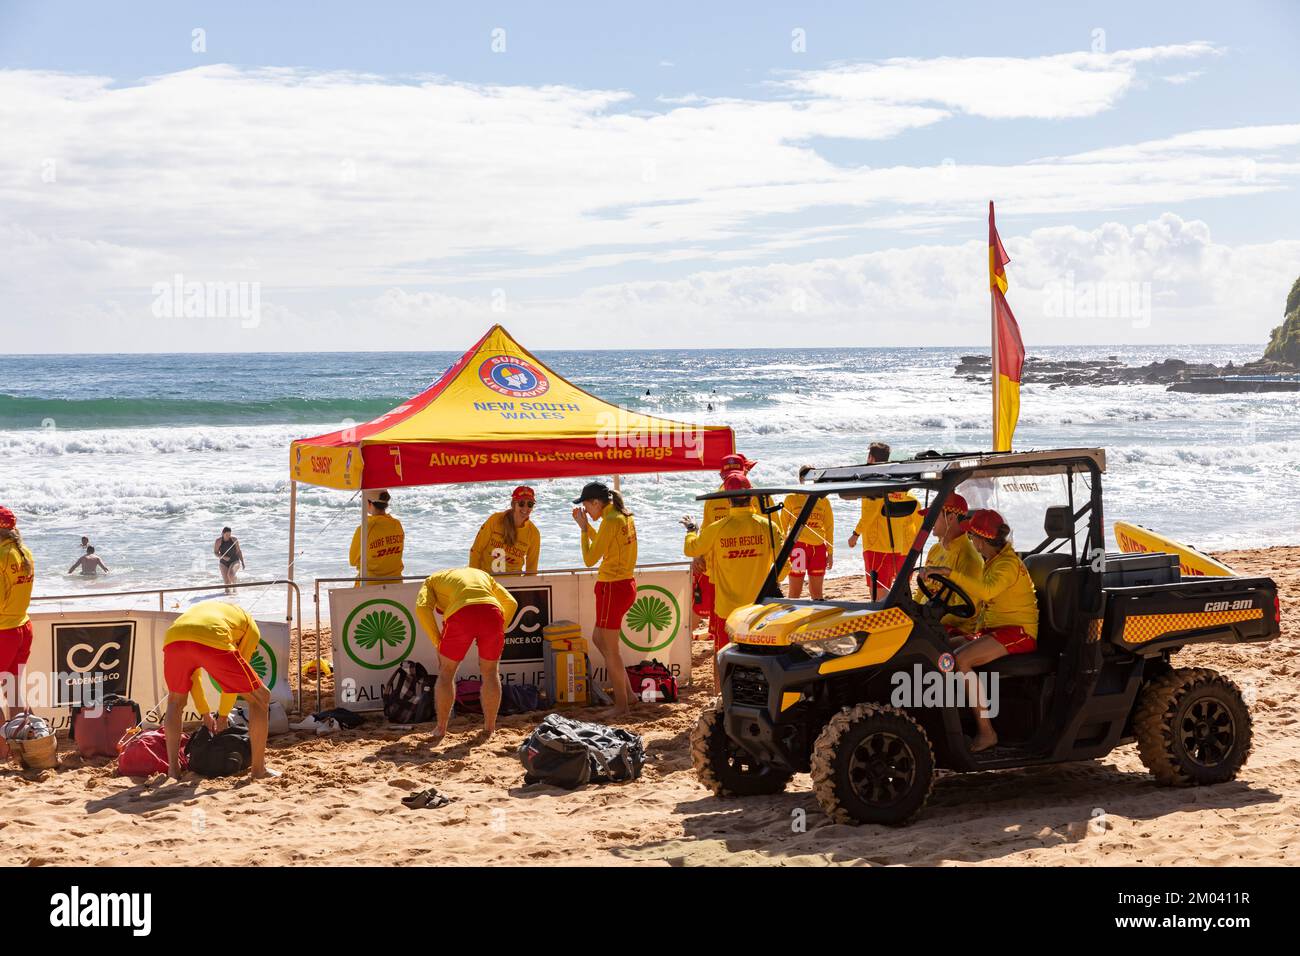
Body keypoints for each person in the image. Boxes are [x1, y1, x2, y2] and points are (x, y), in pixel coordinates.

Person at [919, 509, 1039, 753]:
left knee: (962, 660)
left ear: (982, 540)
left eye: (973, 537)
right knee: (941, 649)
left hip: (1018, 633)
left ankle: (986, 732)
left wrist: (949, 574)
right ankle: (948, 718)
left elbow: (986, 591)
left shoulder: (1007, 564)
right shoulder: (993, 560)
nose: (972, 542)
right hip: (994, 629)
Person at [682, 471, 787, 690]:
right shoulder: (767, 525)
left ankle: (720, 700)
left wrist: (691, 530)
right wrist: (771, 585)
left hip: (727, 609)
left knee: (723, 657)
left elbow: (691, 549)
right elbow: (785, 564)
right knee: (758, 657)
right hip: (760, 607)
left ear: (728, 499)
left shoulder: (717, 528)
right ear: (750, 496)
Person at [161, 601, 276, 779]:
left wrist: (205, 714)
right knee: (261, 697)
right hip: (211, 633)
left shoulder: (208, 610)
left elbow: (194, 678)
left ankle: (173, 771)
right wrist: (222, 716)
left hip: (173, 636)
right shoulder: (250, 627)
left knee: (175, 702)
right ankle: (259, 770)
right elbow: (235, 685)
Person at [414, 567, 519, 745]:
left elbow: (422, 607)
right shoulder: (482, 574)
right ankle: (490, 728)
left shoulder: (431, 580)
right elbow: (511, 603)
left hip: (461, 615)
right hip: (492, 612)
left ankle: (441, 728)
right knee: (491, 672)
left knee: (446, 673)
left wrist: (437, 640)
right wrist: (499, 629)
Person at [572, 481, 638, 715]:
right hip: (622, 584)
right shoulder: (622, 515)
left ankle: (622, 706)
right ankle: (629, 695)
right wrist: (588, 526)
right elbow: (605, 543)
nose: (586, 511)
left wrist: (582, 530)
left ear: (596, 503)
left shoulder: (611, 521)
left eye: (587, 506)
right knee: (599, 638)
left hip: (613, 587)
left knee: (611, 650)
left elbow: (590, 559)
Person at [847, 442, 920, 599]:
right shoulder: (896, 482)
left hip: (877, 545)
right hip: (900, 547)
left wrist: (855, 533)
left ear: (871, 458)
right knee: (900, 591)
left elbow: (870, 513)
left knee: (878, 594)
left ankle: (883, 621)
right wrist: (914, 543)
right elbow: (917, 509)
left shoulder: (872, 483)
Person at [693, 453, 757, 627]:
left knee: (723, 626)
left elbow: (705, 533)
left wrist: (697, 555)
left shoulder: (712, 499)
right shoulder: (759, 496)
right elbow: (776, 534)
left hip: (721, 571)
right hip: (752, 568)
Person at [913, 492, 983, 629]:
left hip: (952, 629)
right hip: (928, 618)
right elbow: (922, 589)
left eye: (934, 516)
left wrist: (925, 621)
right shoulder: (935, 549)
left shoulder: (970, 559)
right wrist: (912, 611)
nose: (928, 519)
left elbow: (964, 611)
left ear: (951, 518)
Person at [0, 508, 35, 722]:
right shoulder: (24, 552)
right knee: (13, 693)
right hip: (22, 627)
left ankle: (2, 750)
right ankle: (26, 744)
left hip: (3, 631)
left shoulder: (1, 556)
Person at [780, 465, 834, 600]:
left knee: (817, 594)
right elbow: (782, 528)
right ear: (800, 479)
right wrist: (782, 553)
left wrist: (831, 553)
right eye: (805, 478)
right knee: (794, 594)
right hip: (798, 549)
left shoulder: (823, 500)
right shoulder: (791, 499)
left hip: (819, 550)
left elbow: (829, 528)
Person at [469, 486, 541, 575]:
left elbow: (532, 570)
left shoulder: (533, 533)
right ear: (513, 504)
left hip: (514, 583)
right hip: (487, 579)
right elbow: (476, 550)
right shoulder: (495, 520)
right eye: (521, 503)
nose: (525, 508)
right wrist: (474, 577)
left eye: (530, 504)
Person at [349, 489, 405, 586]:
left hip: (369, 585)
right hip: (396, 583)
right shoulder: (397, 524)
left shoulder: (364, 528)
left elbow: (353, 560)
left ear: (369, 503)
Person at [213, 527, 244, 592]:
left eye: (229, 535)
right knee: (227, 584)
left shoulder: (234, 540)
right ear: (222, 534)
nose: (228, 536)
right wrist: (223, 557)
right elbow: (216, 553)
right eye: (227, 535)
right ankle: (228, 598)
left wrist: (242, 562)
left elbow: (238, 551)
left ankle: (235, 589)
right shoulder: (218, 541)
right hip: (223, 562)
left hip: (234, 561)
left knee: (230, 574)